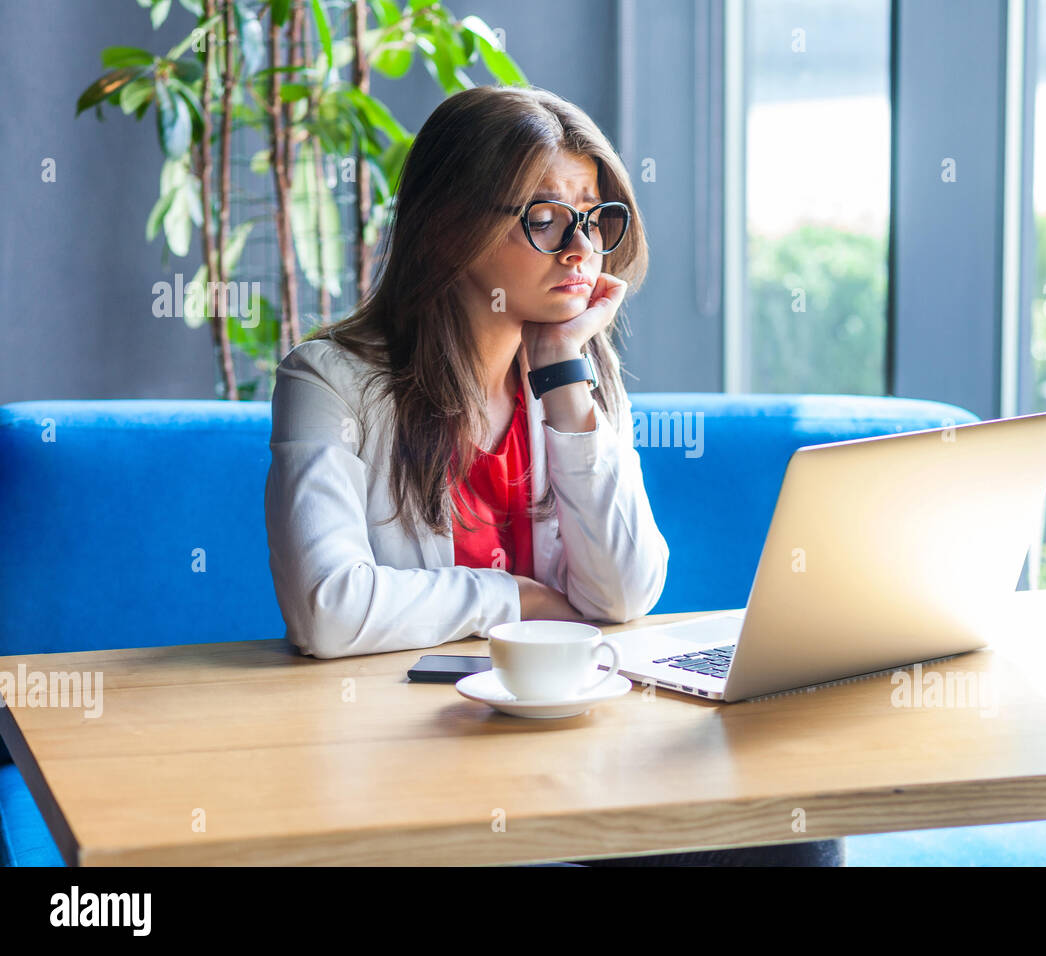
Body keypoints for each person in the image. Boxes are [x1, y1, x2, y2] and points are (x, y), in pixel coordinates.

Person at [264, 84, 843, 867]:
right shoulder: (330, 382)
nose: (581, 251)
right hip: (407, 756)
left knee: (797, 845)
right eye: (544, 219)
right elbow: (328, 610)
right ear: (450, 226)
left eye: (595, 218)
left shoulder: (580, 376)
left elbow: (625, 593)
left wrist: (566, 385)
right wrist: (516, 598)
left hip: (572, 747)